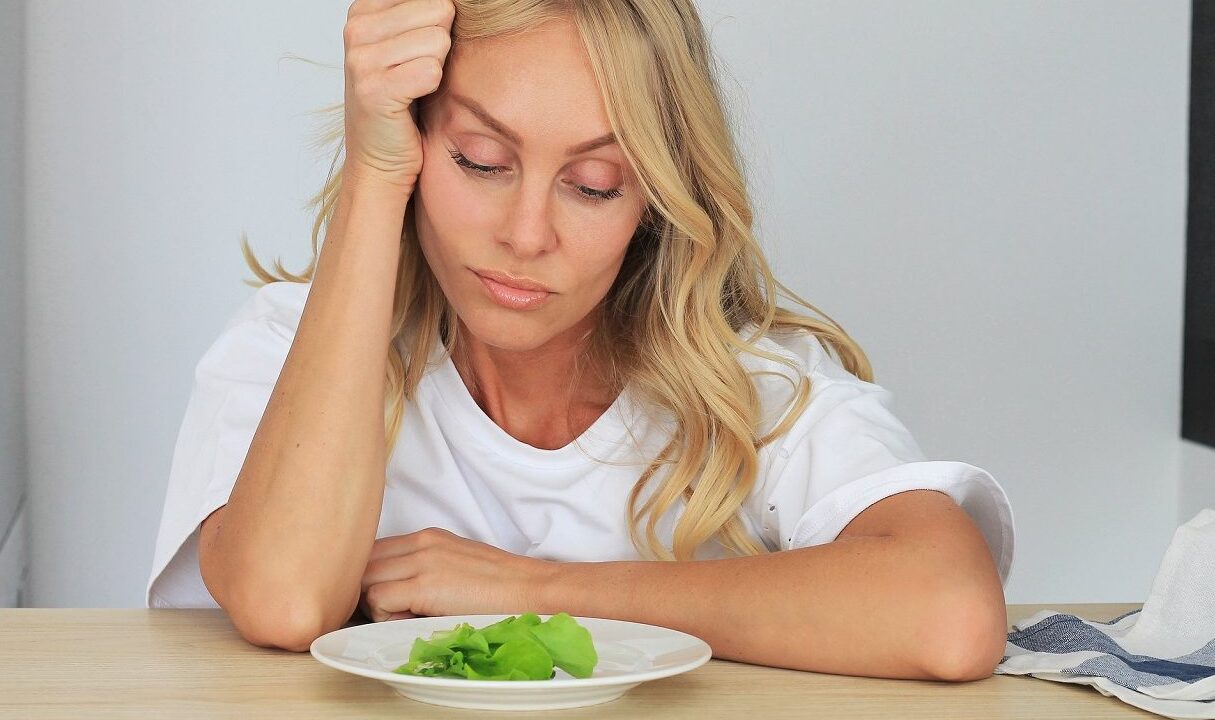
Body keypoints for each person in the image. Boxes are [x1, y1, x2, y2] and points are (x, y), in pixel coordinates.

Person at [147, 0, 1015, 682]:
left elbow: (947, 613)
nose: (526, 234)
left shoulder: (754, 389)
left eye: (594, 185)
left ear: (655, 202)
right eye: (481, 161)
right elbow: (286, 601)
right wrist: (374, 176)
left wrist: (529, 592)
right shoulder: (284, 346)